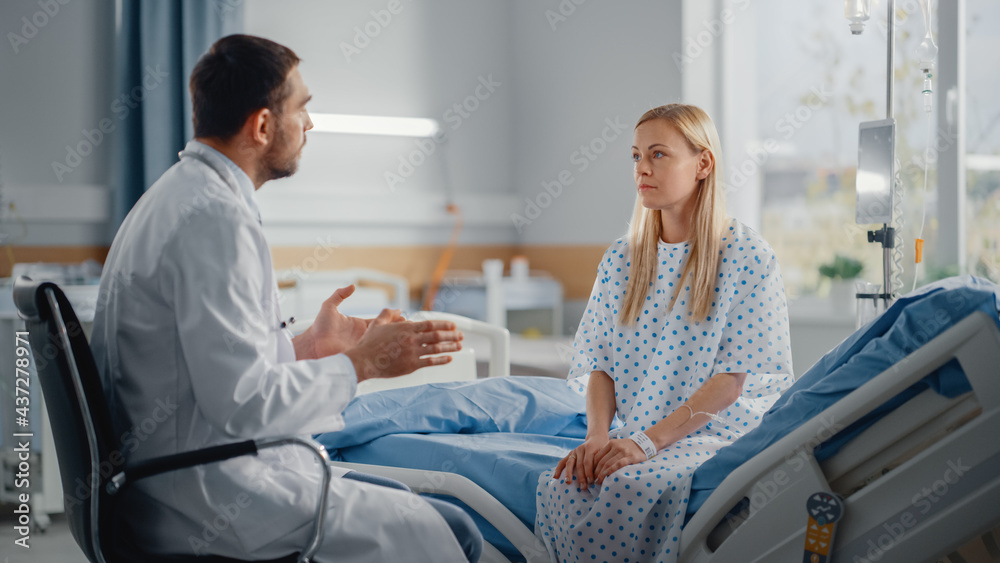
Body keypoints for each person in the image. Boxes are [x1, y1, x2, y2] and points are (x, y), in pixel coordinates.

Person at [90, 34, 481, 562]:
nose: (309, 124)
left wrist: (309, 348)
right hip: (207, 497)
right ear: (262, 126)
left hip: (177, 478)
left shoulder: (177, 197)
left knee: (429, 514)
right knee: (451, 532)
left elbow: (206, 369)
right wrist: (362, 363)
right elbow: (242, 404)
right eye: (301, 108)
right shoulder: (215, 220)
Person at [534, 104, 794, 562]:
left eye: (658, 154)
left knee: (627, 487)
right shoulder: (622, 259)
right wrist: (597, 437)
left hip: (717, 430)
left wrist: (647, 443)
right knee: (565, 485)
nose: (642, 168)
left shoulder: (746, 255)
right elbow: (600, 363)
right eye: (636, 156)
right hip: (640, 427)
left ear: (703, 163)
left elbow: (731, 382)